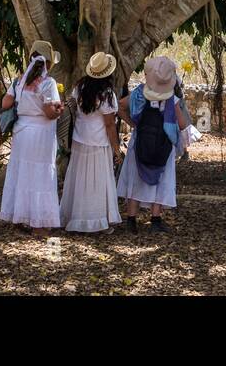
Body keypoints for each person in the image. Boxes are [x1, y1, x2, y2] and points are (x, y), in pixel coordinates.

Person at [0, 40, 64, 235]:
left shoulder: (19, 81)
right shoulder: (48, 83)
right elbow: (49, 112)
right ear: (49, 63)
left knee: (22, 173)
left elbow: (5, 103)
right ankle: (38, 223)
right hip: (41, 134)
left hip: (22, 132)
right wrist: (60, 110)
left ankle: (19, 216)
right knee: (40, 176)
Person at [117, 55, 189, 233]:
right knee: (162, 179)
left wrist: (133, 124)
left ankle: (131, 220)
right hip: (164, 143)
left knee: (135, 178)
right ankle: (155, 219)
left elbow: (119, 106)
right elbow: (181, 125)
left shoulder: (139, 93)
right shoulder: (173, 99)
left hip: (140, 140)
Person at [60, 52, 122, 233]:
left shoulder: (80, 87)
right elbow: (110, 125)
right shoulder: (107, 93)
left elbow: (73, 107)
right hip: (99, 142)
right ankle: (96, 220)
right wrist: (116, 149)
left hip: (80, 139)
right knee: (97, 182)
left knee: (79, 180)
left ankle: (76, 218)